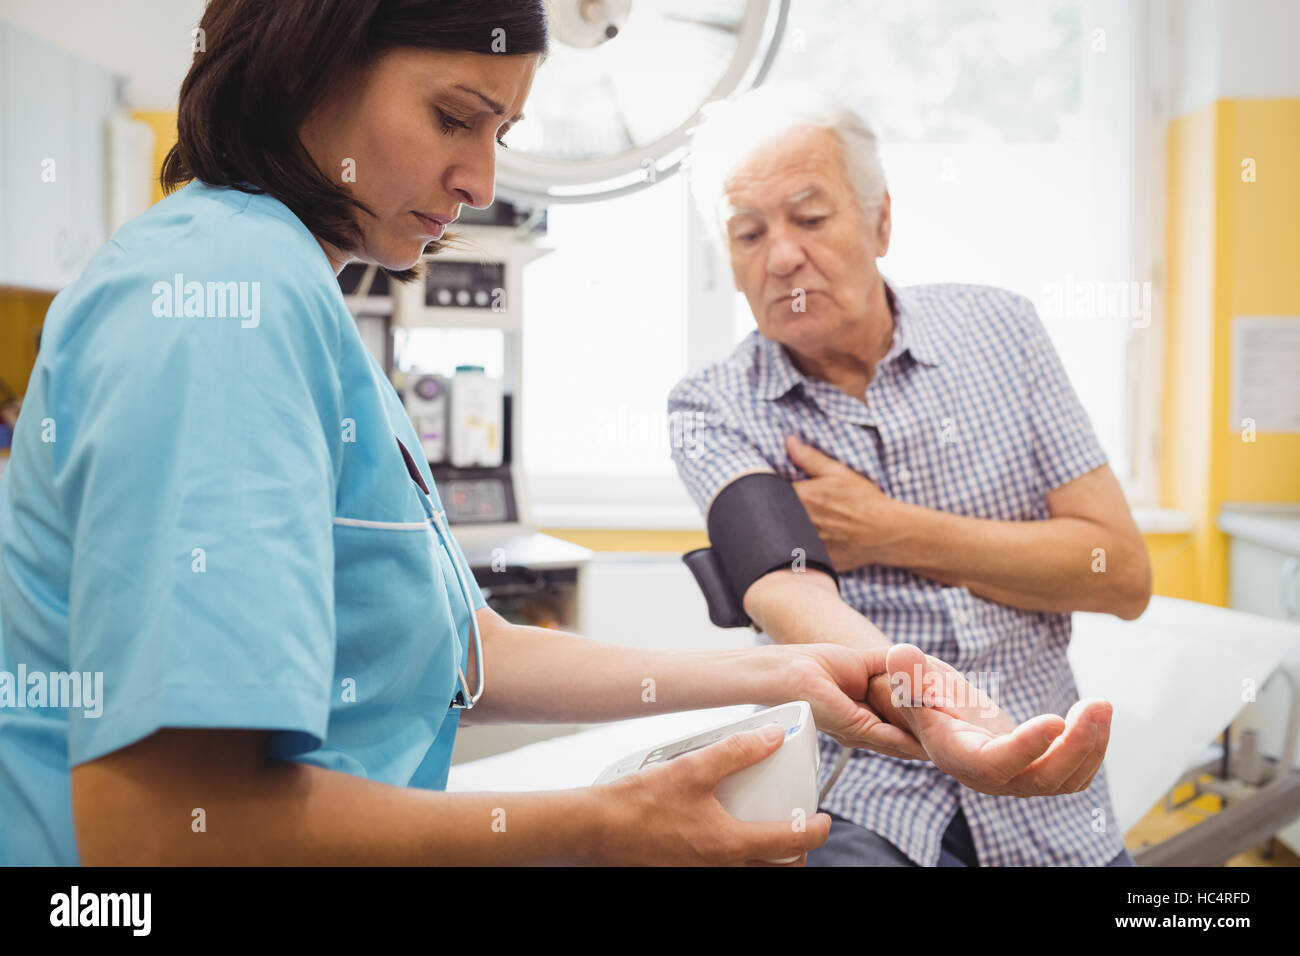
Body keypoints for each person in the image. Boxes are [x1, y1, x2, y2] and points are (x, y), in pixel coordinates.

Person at [0, 1, 1107, 867]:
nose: (480, 180)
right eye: (453, 116)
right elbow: (164, 829)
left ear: (880, 219)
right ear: (309, 54)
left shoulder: (299, 301)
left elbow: (464, 650)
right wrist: (592, 823)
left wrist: (789, 670)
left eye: (503, 131)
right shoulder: (221, 295)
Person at [669, 84, 1151, 866]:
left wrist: (893, 531)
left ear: (881, 220)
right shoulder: (710, 408)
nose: (782, 254)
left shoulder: (1003, 331)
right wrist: (940, 712)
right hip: (863, 796)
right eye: (747, 233)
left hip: (1049, 797)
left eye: (811, 217)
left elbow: (1120, 573)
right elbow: (788, 592)